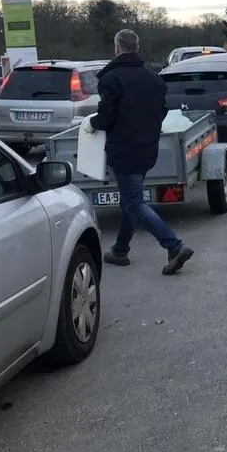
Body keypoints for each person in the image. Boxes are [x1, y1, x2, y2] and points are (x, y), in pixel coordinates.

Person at [86, 29, 194, 275]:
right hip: (147, 148)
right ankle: (120, 250)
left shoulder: (111, 79)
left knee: (133, 202)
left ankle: (174, 246)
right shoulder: (153, 79)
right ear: (137, 47)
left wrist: (91, 124)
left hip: (124, 150)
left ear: (117, 48)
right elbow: (162, 112)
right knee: (129, 201)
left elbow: (106, 118)